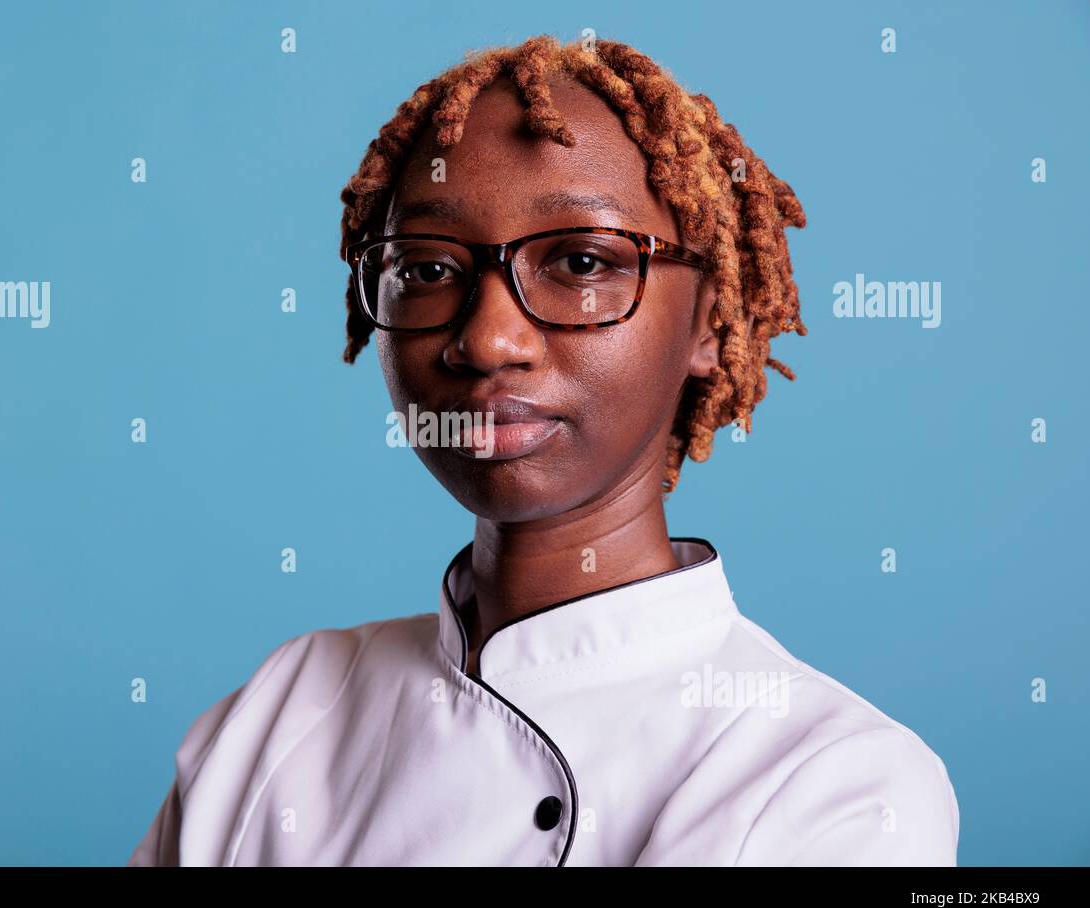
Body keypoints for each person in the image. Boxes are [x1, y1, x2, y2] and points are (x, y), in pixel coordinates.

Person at [129, 34, 959, 866]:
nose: (488, 339)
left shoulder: (836, 785)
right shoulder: (281, 714)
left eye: (582, 260)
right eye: (426, 269)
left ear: (712, 321)